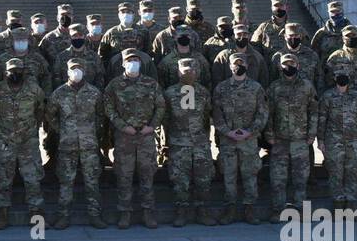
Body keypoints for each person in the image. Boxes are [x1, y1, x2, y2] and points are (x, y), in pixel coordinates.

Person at [103, 49, 165, 229]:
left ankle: (148, 212)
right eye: (129, 60)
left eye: (136, 60)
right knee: (124, 176)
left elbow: (160, 106)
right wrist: (123, 126)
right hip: (124, 137)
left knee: (147, 175)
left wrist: (152, 126)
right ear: (123, 63)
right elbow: (109, 108)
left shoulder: (151, 83)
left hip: (146, 136)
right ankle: (125, 213)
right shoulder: (114, 85)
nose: (133, 63)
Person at [0, 57, 46, 228]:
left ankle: (37, 217)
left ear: (24, 73)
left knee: (33, 179)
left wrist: (32, 129)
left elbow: (41, 110)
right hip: (5, 141)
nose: (15, 74)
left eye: (19, 71)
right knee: (3, 180)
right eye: (12, 71)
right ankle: (1, 214)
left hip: (28, 141)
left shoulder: (34, 90)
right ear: (5, 73)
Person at [46, 57, 104, 230]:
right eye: (73, 68)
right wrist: (61, 130)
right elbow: (50, 115)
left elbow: (100, 116)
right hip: (67, 145)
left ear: (84, 71)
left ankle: (95, 216)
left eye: (79, 68)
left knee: (92, 181)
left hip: (89, 145)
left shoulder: (94, 93)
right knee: (66, 182)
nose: (76, 71)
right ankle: (63, 216)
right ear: (67, 71)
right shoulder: (59, 93)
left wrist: (93, 132)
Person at [212, 51, 268, 224]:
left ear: (247, 65)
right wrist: (226, 131)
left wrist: (250, 131)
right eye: (235, 63)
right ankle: (229, 209)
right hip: (228, 140)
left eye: (241, 63)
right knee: (229, 175)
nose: (238, 66)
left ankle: (250, 208)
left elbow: (263, 113)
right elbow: (216, 113)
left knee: (250, 174)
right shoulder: (221, 88)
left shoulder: (256, 88)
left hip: (248, 140)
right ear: (230, 66)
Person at [163, 58, 216, 227]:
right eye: (185, 71)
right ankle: (181, 211)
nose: (188, 74)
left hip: (200, 143)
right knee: (180, 180)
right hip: (179, 143)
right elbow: (165, 120)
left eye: (192, 71)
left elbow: (207, 116)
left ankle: (203, 211)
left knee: (203, 178)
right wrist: (164, 144)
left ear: (197, 72)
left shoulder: (203, 92)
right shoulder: (170, 93)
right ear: (178, 72)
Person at [266, 52, 318, 221]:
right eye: (285, 64)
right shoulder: (274, 87)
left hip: (300, 139)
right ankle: (278, 209)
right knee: (278, 178)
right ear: (280, 67)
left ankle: (300, 209)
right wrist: (269, 134)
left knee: (300, 178)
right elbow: (268, 113)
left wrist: (312, 134)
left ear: (298, 66)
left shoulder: (307, 86)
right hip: (280, 140)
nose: (288, 67)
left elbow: (314, 111)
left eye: (292, 64)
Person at [318, 64, 357, 212]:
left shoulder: (356, 96)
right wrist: (320, 140)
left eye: (345, 75)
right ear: (334, 78)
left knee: (352, 172)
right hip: (333, 141)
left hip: (354, 141)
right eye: (339, 75)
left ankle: (351, 205)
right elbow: (322, 119)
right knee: (335, 173)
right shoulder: (327, 96)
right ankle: (338, 205)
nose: (342, 78)